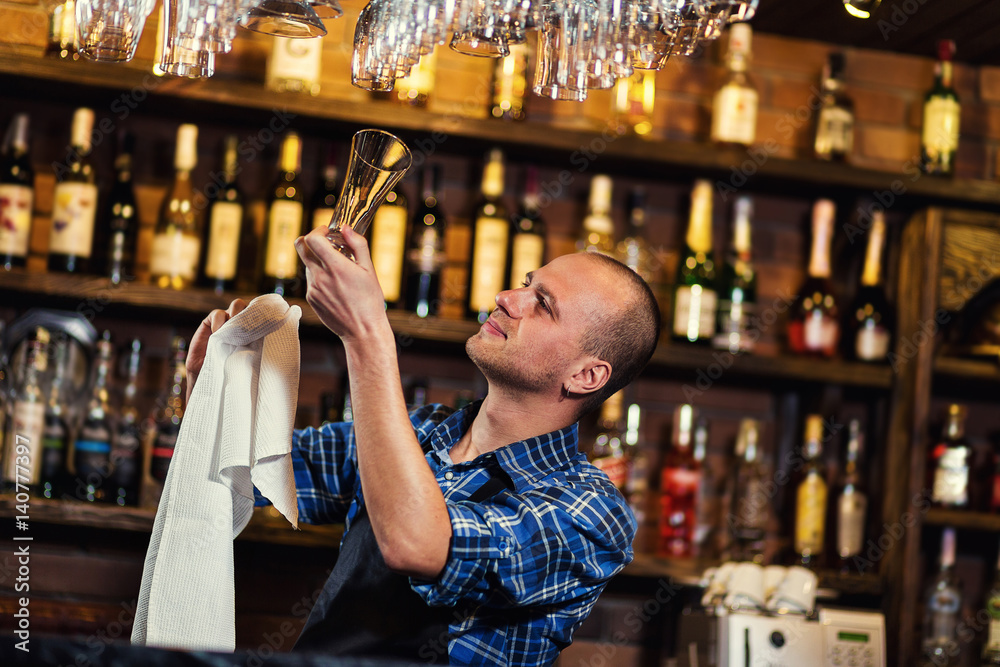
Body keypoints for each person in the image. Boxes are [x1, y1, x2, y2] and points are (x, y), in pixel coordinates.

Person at [185, 225, 661, 666]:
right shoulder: (421, 431)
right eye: (524, 283)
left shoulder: (590, 511)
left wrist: (366, 333)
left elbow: (419, 544)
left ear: (586, 375)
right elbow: (246, 471)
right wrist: (209, 392)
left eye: (543, 304)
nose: (506, 298)